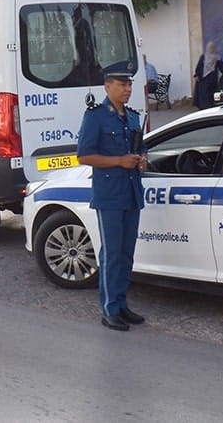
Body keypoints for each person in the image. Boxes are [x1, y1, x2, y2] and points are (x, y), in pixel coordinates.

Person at [76, 61, 148, 332]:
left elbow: (142, 148)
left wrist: (142, 160)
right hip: (109, 194)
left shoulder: (132, 116)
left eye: (129, 84)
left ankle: (121, 303)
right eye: (122, 84)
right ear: (108, 86)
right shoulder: (96, 116)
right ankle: (109, 309)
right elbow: (84, 155)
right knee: (112, 254)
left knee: (127, 253)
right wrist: (119, 161)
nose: (127, 89)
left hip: (131, 192)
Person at [192, 41, 223, 109]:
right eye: (210, 47)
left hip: (212, 79)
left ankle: (209, 108)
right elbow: (199, 66)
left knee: (210, 95)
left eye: (213, 47)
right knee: (203, 94)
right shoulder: (204, 56)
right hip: (203, 79)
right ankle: (203, 108)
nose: (212, 49)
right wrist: (196, 75)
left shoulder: (217, 57)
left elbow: (222, 68)